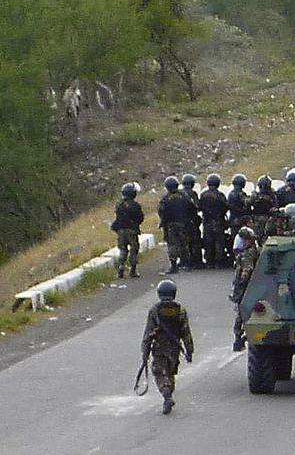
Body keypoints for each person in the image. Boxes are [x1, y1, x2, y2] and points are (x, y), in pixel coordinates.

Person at [141, 280, 194, 415]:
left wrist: (145, 352)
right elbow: (186, 332)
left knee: (159, 373)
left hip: (159, 348)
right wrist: (189, 351)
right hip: (175, 348)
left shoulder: (155, 310)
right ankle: (168, 394)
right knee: (170, 373)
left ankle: (166, 396)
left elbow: (148, 333)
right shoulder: (180, 310)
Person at [157, 176, 197, 275]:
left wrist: (163, 222)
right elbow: (193, 208)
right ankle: (187, 264)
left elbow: (161, 211)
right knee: (184, 243)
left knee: (172, 244)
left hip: (170, 225)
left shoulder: (165, 199)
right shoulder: (184, 196)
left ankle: (174, 265)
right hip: (184, 223)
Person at [229, 226, 259, 351]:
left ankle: (239, 338)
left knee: (241, 314)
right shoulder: (251, 251)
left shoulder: (248, 253)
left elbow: (247, 269)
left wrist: (242, 281)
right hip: (247, 288)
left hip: (244, 289)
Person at [111, 182, 144, 279]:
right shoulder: (135, 205)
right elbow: (140, 217)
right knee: (134, 249)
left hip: (121, 231)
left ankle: (121, 268)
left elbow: (117, 218)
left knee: (123, 250)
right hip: (132, 231)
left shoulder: (119, 204)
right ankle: (133, 270)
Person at [198, 174, 229, 268]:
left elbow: (199, 207)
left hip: (207, 222)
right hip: (218, 221)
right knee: (219, 241)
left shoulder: (203, 195)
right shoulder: (220, 195)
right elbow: (226, 207)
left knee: (208, 241)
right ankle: (219, 261)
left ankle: (209, 261)